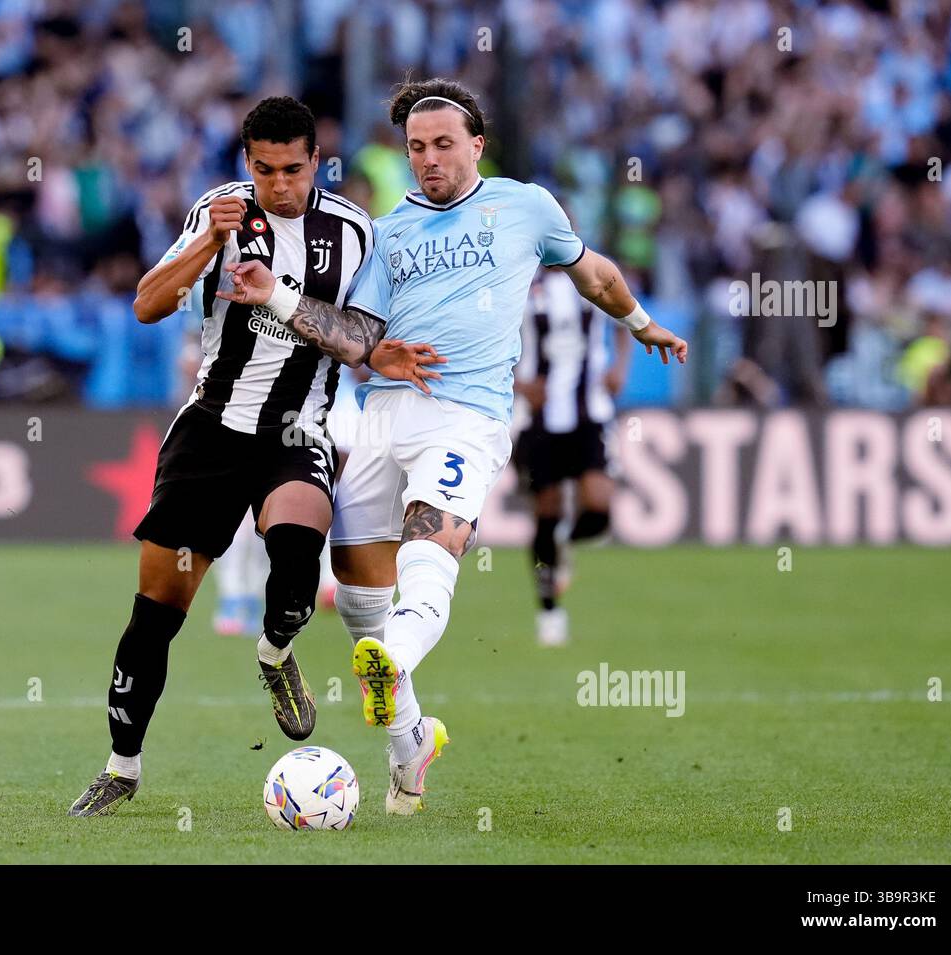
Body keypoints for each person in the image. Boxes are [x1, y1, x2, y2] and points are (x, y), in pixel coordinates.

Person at [218, 78, 687, 815]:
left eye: (442, 145)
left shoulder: (525, 206)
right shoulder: (388, 231)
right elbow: (357, 339)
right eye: (415, 147)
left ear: (476, 145)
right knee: (360, 590)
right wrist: (274, 295)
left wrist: (640, 322)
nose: (428, 159)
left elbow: (590, 270)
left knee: (426, 549)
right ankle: (410, 743)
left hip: (465, 414)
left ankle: (394, 662)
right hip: (377, 416)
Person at [69, 96, 441, 816]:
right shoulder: (218, 210)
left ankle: (274, 654)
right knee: (157, 613)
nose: (278, 184)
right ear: (247, 163)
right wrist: (209, 243)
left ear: (316, 162)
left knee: (299, 558)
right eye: (264, 169)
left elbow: (361, 339)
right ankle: (122, 766)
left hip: (298, 430)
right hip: (209, 429)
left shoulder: (354, 232)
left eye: (292, 169)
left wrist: (279, 297)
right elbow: (147, 304)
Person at [514, 269, 631, 647]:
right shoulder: (519, 286)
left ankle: (566, 541)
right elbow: (489, 340)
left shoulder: (594, 281)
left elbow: (626, 316)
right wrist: (519, 383)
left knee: (599, 508)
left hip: (589, 413)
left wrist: (619, 370)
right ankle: (549, 610)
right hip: (540, 416)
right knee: (545, 513)